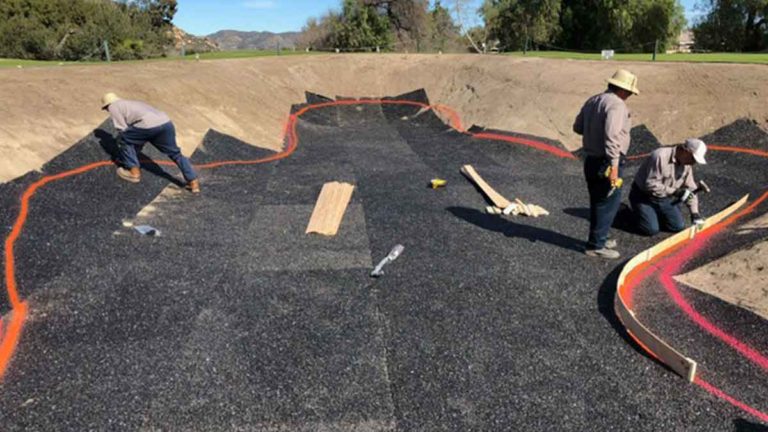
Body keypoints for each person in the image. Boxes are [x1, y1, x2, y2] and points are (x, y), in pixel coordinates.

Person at [573, 69, 639, 259]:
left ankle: (600, 236)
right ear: (623, 90)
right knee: (608, 202)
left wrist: (592, 131)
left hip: (591, 159)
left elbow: (577, 127)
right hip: (608, 161)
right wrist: (615, 167)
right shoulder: (617, 106)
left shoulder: (593, 100)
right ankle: (596, 246)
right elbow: (612, 138)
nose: (629, 96)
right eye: (629, 93)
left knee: (598, 201)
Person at [101, 93, 200, 193]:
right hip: (166, 123)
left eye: (106, 108)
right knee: (175, 153)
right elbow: (139, 135)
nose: (107, 110)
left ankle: (133, 173)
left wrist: (125, 154)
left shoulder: (113, 106)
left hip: (148, 125)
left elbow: (122, 128)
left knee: (123, 139)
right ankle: (193, 182)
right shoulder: (129, 103)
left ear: (107, 105)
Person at [630, 139, 707, 236]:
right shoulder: (660, 156)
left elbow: (691, 188)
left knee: (678, 226)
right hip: (643, 196)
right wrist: (676, 192)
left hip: (664, 198)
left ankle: (653, 214)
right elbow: (650, 184)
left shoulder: (686, 164)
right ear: (686, 152)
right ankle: (633, 213)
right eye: (693, 159)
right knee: (651, 230)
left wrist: (695, 213)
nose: (693, 163)